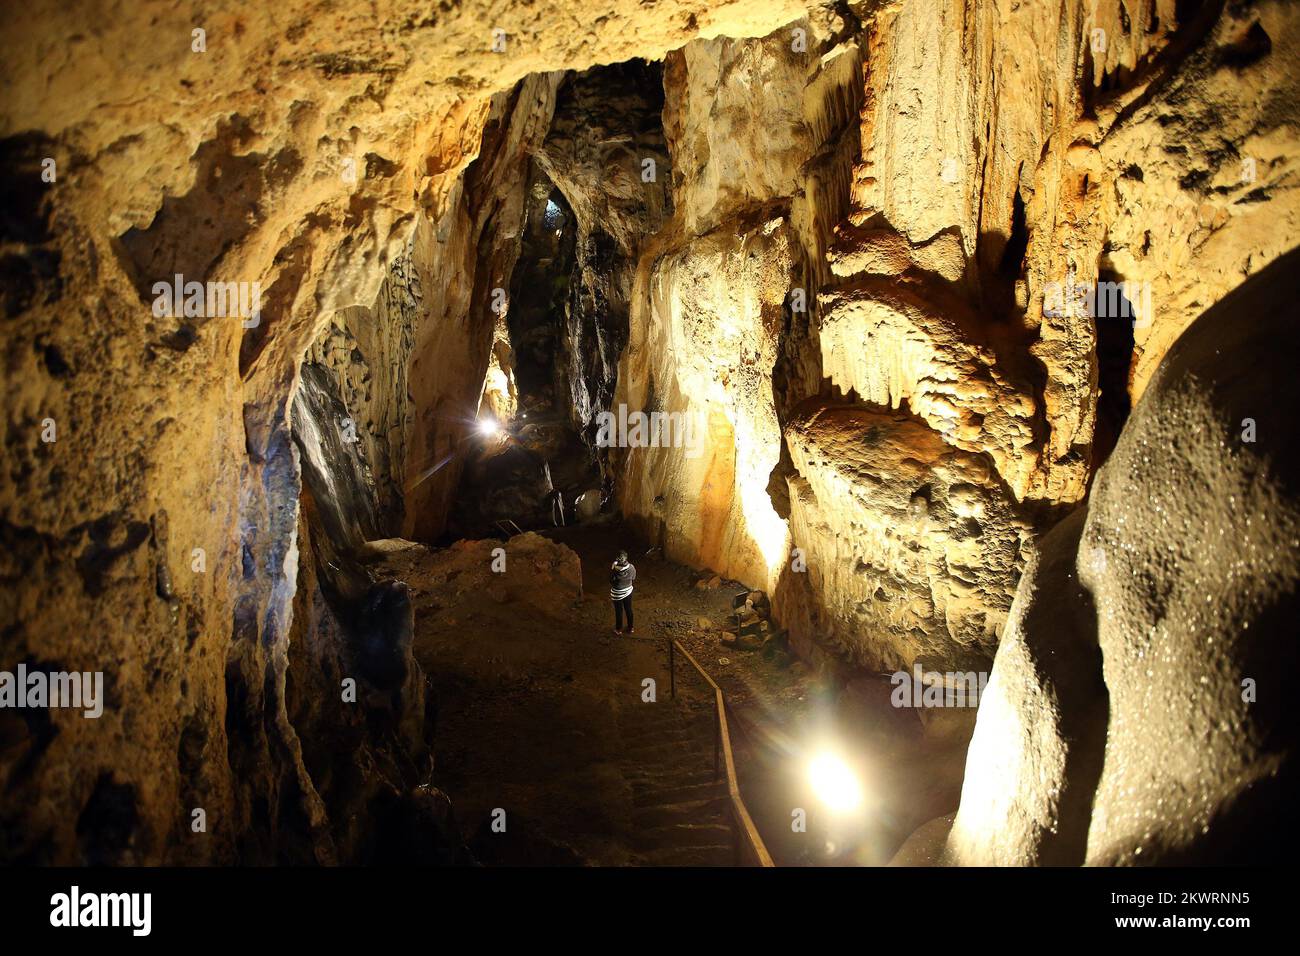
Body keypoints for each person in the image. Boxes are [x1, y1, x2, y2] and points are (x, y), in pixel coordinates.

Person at [609, 550, 636, 635]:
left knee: (619, 611)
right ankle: (630, 628)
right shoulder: (631, 567)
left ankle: (619, 629)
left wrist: (613, 567)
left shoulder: (615, 570)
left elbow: (611, 581)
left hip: (617, 594)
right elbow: (633, 577)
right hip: (628, 591)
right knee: (628, 609)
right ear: (626, 559)